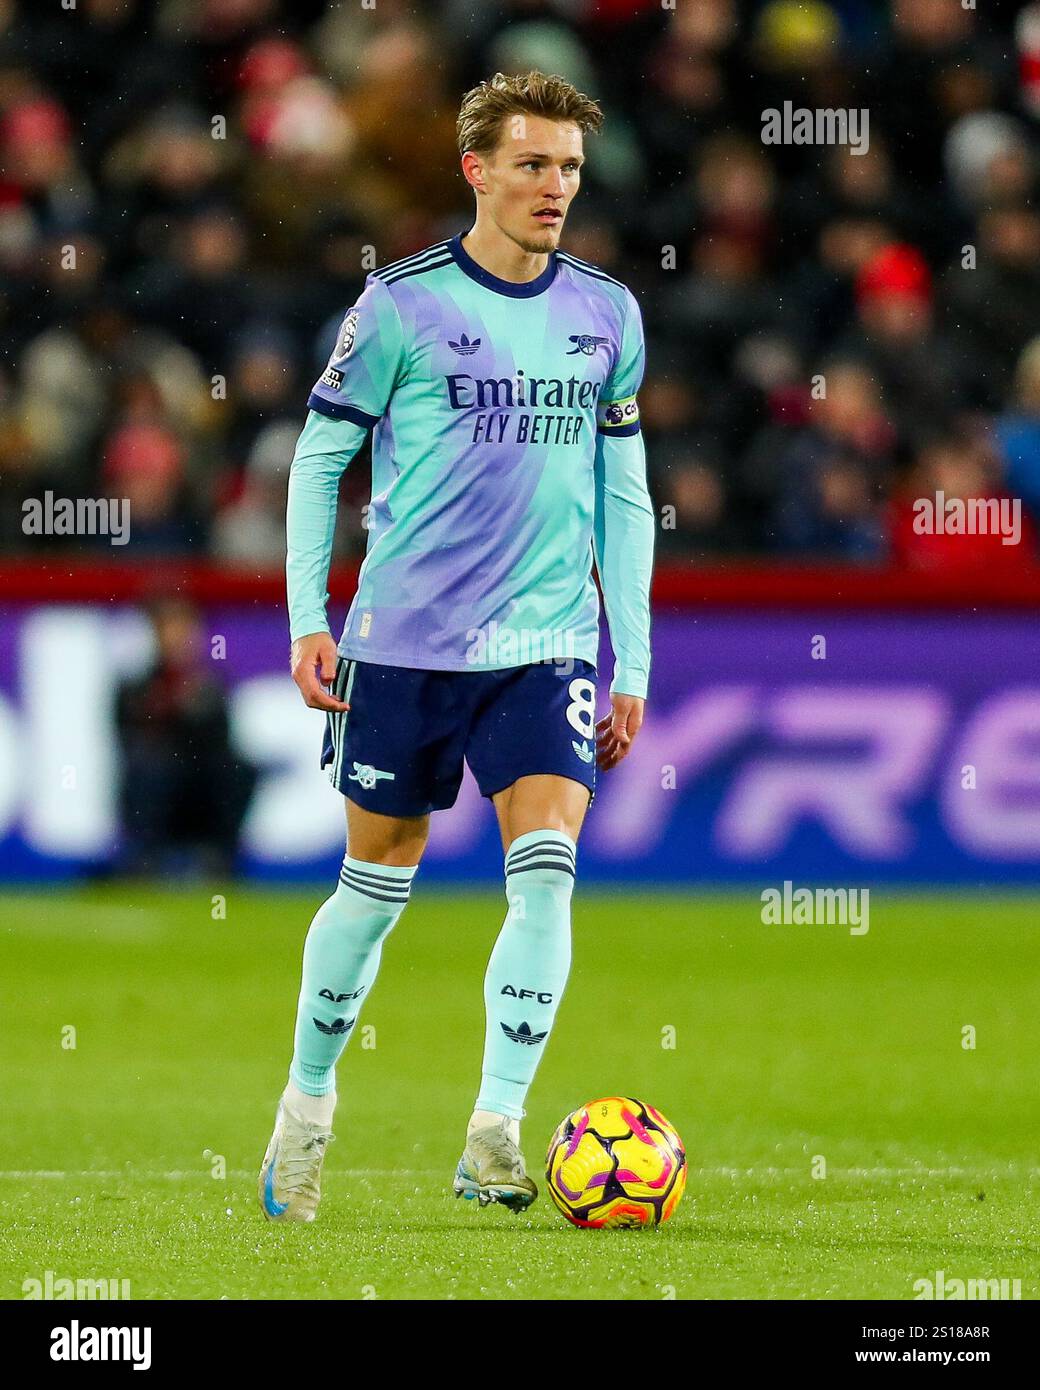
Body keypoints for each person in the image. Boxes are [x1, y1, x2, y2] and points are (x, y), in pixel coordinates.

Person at [259, 70, 655, 1222]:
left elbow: (624, 495)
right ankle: (309, 1102)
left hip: (544, 643)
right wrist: (306, 618)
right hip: (407, 645)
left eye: (570, 169)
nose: (555, 187)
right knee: (374, 889)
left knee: (546, 872)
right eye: (533, 165)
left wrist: (628, 660)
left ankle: (495, 1126)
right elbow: (317, 457)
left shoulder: (609, 314)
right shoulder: (399, 306)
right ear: (476, 170)